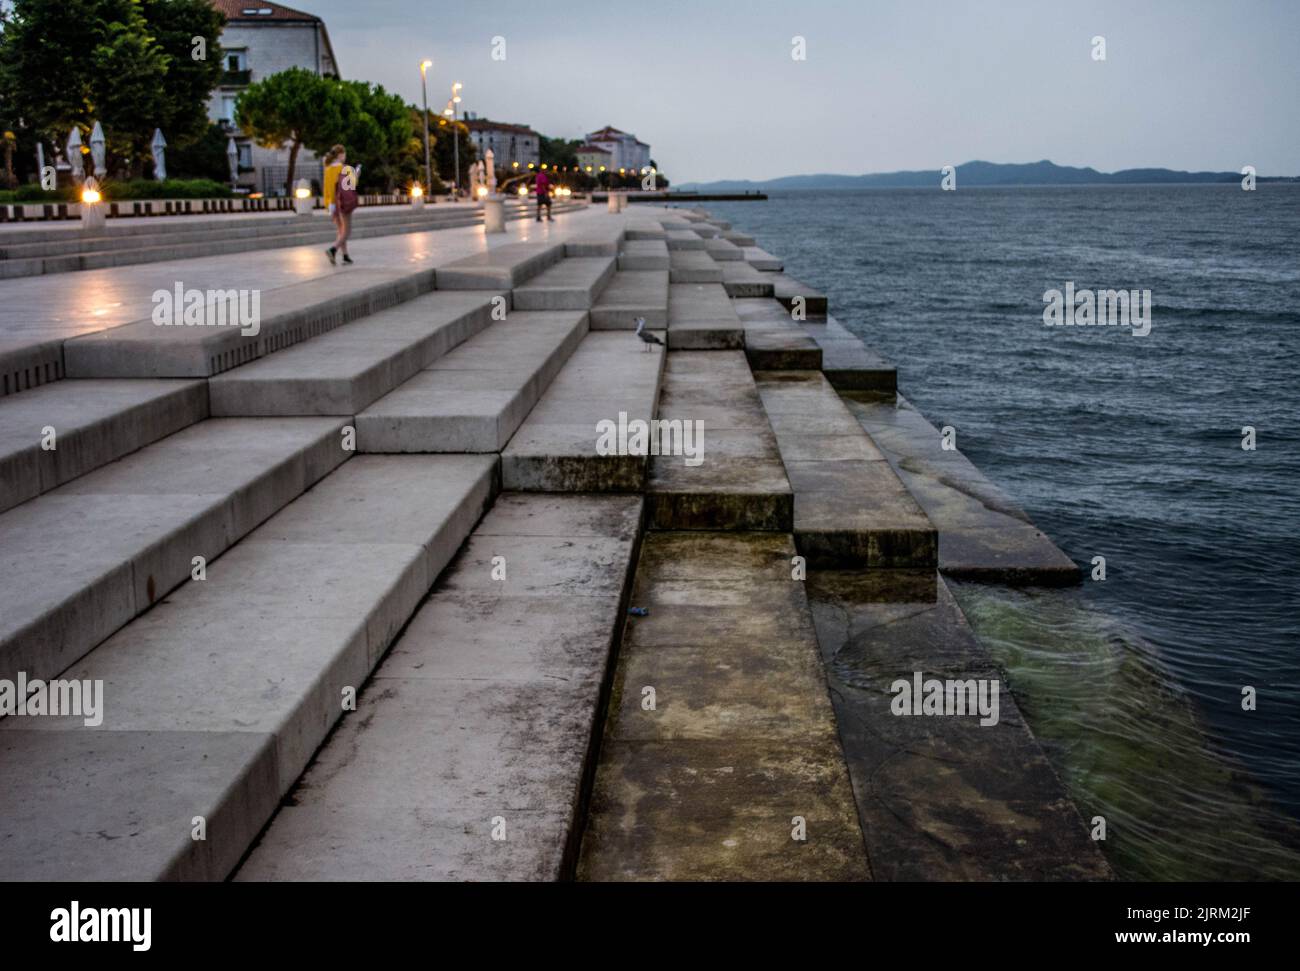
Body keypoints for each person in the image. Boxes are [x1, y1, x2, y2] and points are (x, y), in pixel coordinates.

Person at [322, 145, 356, 264]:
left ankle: (345, 256)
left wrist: (329, 204)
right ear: (340, 155)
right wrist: (357, 174)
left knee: (341, 230)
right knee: (347, 231)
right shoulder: (344, 168)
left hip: (332, 204)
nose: (345, 156)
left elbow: (327, 189)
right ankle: (333, 249)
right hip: (343, 203)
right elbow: (351, 186)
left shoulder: (327, 169)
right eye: (344, 154)